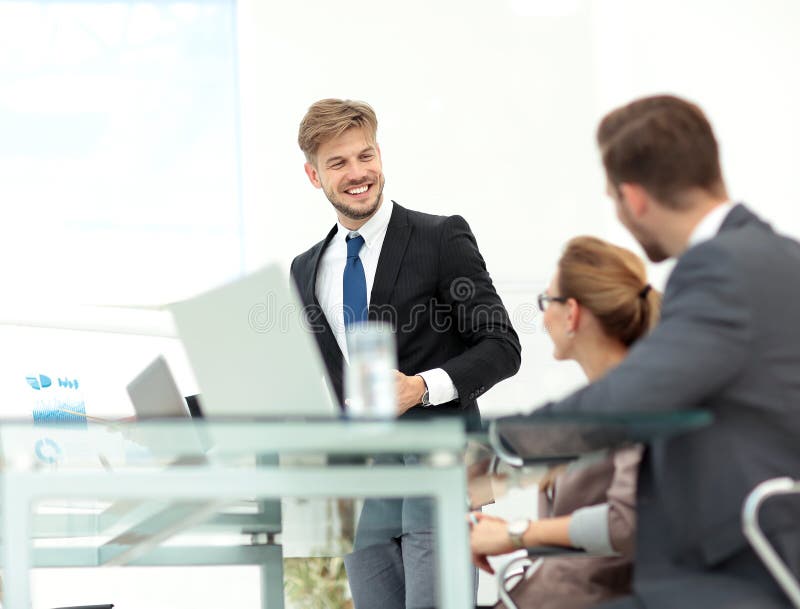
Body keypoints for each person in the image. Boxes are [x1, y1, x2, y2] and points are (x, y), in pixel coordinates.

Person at [501, 95, 800, 609]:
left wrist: (508, 443)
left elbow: (631, 398)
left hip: (738, 571)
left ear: (634, 198)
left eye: (612, 200)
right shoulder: (781, 256)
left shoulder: (720, 267)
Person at [290, 98, 521, 609]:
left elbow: (502, 346)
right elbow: (308, 378)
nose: (358, 173)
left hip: (436, 470)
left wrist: (420, 388)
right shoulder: (306, 268)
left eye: (365, 155)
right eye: (338, 163)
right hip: (360, 483)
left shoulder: (440, 238)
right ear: (314, 175)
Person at [470, 236, 661, 609]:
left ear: (571, 313)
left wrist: (515, 533)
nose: (543, 316)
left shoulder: (638, 402)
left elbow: (625, 524)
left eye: (547, 301)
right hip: (557, 591)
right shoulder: (602, 403)